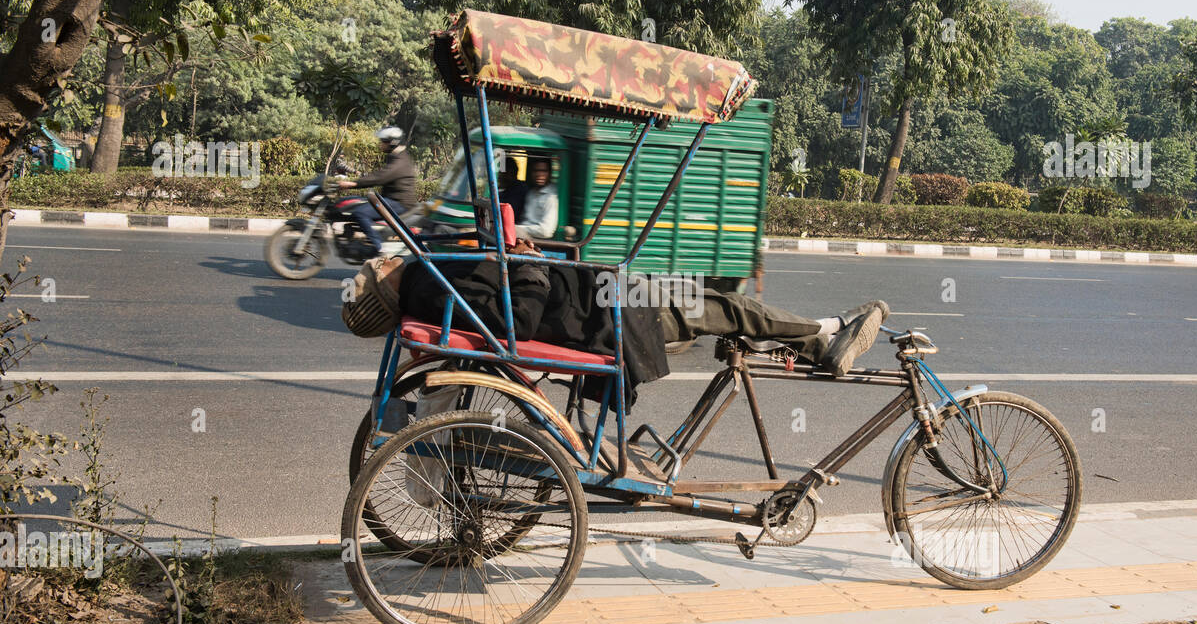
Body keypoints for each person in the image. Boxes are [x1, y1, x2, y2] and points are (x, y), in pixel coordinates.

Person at [342, 242, 889, 404]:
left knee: (715, 301)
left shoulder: (430, 278)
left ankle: (817, 337)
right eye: (380, 266)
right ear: (387, 286)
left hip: (599, 296)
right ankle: (825, 333)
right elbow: (518, 315)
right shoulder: (431, 286)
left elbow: (508, 293)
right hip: (603, 311)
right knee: (726, 308)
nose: (384, 259)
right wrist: (528, 262)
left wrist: (520, 258)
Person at [337, 126, 418, 256]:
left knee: (360, 213)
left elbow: (380, 177)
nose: (380, 144)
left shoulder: (400, 161)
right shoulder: (396, 156)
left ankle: (379, 248)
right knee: (352, 203)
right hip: (391, 199)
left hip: (400, 203)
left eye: (383, 141)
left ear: (392, 142)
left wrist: (353, 183)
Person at [514, 157, 559, 240]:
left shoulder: (551, 197)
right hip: (524, 234)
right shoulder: (531, 193)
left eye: (543, 171)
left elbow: (546, 231)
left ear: (550, 173)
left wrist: (519, 228)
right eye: (536, 171)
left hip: (537, 240)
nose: (539, 174)